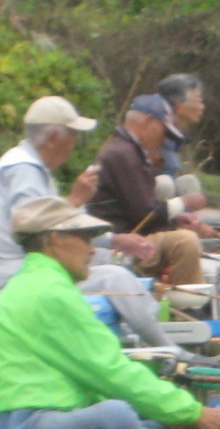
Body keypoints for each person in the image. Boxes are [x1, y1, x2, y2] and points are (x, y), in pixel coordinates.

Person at [0, 197, 220, 429]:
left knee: (130, 409)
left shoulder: (38, 284)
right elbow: (111, 371)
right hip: (20, 425)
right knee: (117, 416)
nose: (92, 249)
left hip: (35, 414)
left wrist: (173, 413)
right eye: (84, 238)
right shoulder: (50, 293)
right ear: (54, 239)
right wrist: (193, 413)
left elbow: (96, 376)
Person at [0, 96, 101, 293]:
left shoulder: (29, 166)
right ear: (51, 138)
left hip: (17, 271)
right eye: (72, 135)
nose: (73, 144)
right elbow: (33, 229)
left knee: (105, 261)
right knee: (114, 277)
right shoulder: (24, 170)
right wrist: (75, 200)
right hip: (18, 275)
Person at [85, 94, 210, 293]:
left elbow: (141, 210)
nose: (164, 138)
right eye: (163, 130)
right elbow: (145, 213)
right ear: (149, 122)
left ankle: (178, 298)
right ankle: (190, 306)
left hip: (129, 235)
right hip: (121, 243)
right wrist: (184, 201)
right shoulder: (123, 155)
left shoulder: (125, 151)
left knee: (181, 235)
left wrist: (175, 221)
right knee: (185, 242)